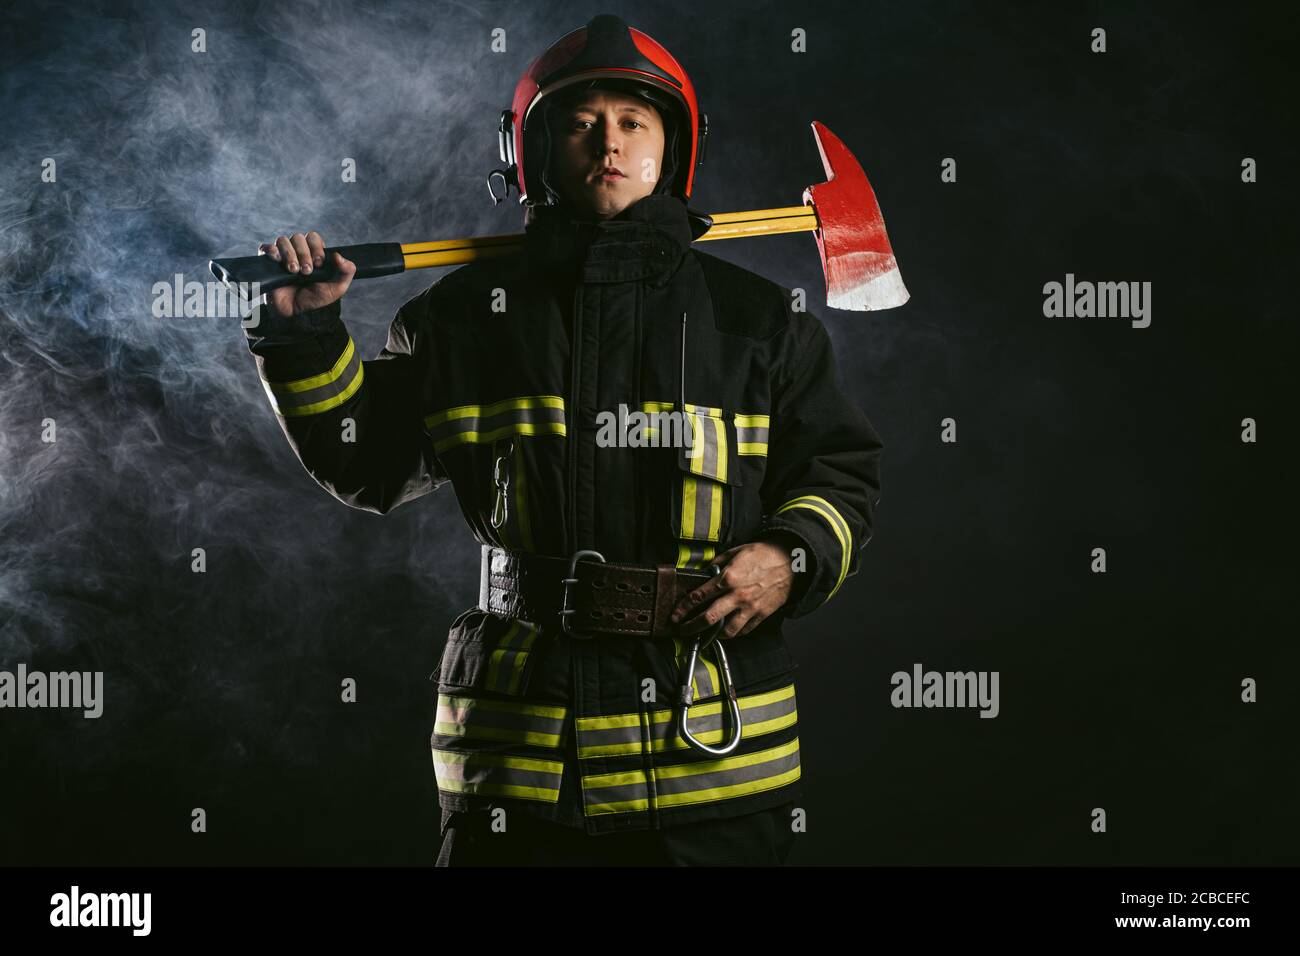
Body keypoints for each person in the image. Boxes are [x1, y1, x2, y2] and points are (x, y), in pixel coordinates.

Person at [242, 14, 883, 866]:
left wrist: (788, 556)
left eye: (632, 122)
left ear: (673, 148)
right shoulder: (461, 320)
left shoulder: (761, 323)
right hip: (519, 775)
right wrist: (303, 338)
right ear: (532, 152)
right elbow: (367, 464)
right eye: (579, 124)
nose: (606, 143)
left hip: (708, 774)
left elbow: (839, 475)